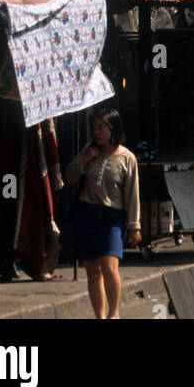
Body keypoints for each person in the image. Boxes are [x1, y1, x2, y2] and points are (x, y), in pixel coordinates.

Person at [65, 109, 141, 319]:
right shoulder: (89, 151)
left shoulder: (127, 158)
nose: (96, 132)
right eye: (94, 128)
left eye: (101, 128)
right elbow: (70, 177)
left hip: (111, 218)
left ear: (113, 129)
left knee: (109, 266)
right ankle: (99, 315)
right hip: (88, 215)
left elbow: (132, 194)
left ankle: (114, 313)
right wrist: (85, 160)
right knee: (92, 271)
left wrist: (134, 225)